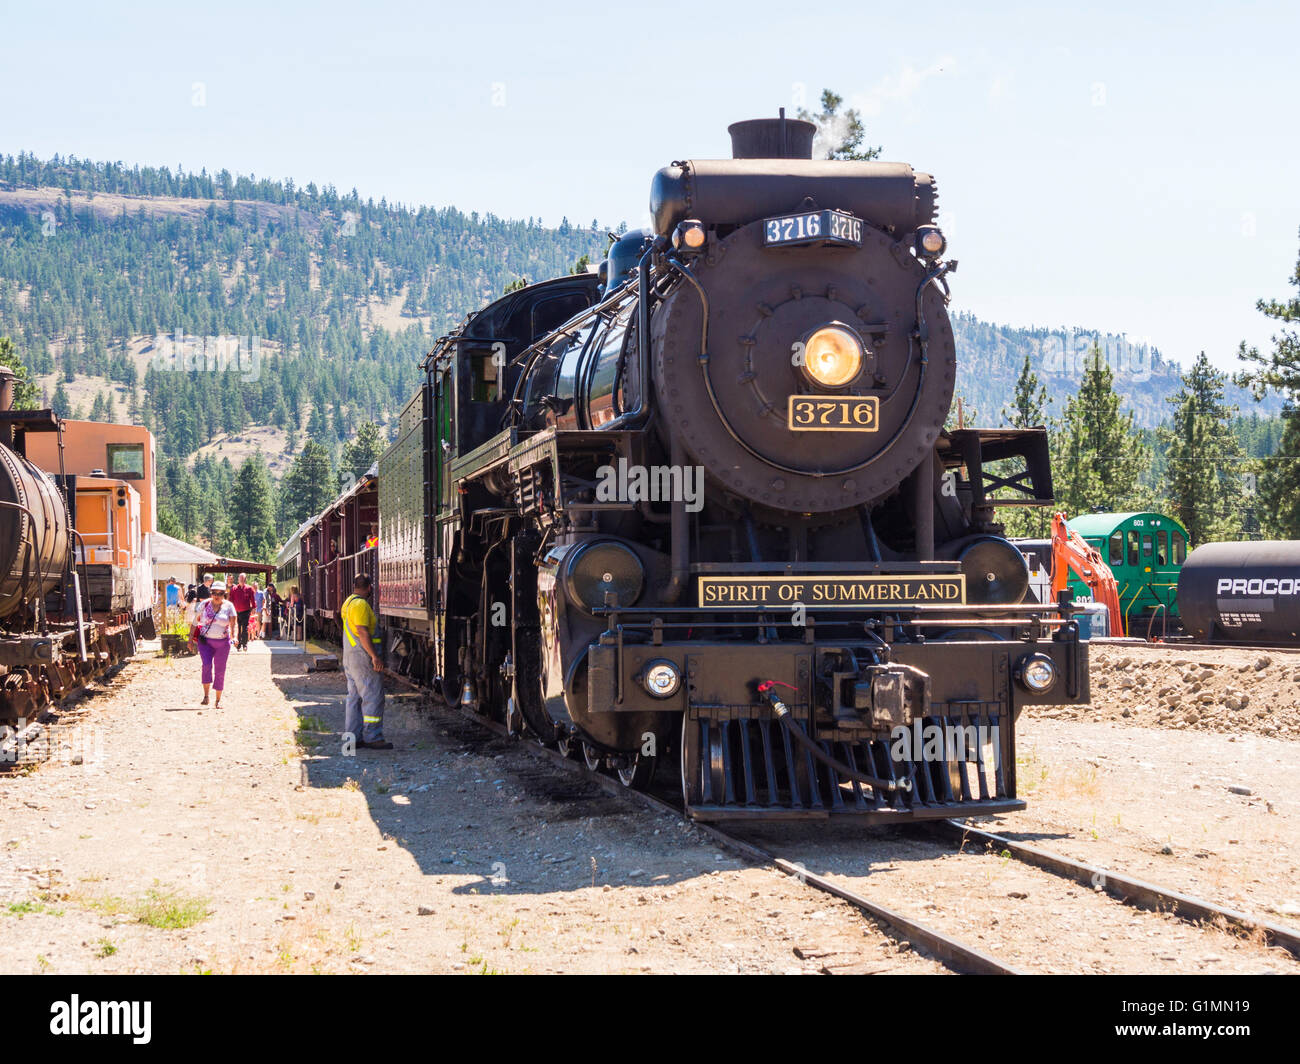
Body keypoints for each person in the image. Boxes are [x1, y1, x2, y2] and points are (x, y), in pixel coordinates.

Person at [341, 574, 390, 750]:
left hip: (350, 656)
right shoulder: (361, 605)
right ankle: (373, 736)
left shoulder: (348, 602)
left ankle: (352, 737)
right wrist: (375, 657)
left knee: (354, 697)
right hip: (363, 657)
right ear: (369, 587)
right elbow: (362, 632)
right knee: (372, 695)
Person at [189, 580, 237, 707]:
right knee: (206, 665)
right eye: (214, 592)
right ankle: (206, 696)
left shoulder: (229, 606)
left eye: (220, 593)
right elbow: (195, 623)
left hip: (223, 643)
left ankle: (218, 700)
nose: (217, 595)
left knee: (220, 670)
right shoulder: (204, 605)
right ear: (211, 593)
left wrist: (234, 636)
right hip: (205, 641)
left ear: (224, 594)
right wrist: (190, 640)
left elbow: (233, 624)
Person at [227, 572, 256, 651]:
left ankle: (245, 644)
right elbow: (231, 600)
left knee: (245, 628)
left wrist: (253, 608)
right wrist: (229, 609)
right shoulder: (234, 589)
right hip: (236, 612)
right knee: (238, 628)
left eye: (243, 579)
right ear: (238, 579)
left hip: (246, 611)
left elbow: (252, 599)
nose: (242, 580)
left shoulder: (249, 588)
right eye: (240, 579)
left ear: (245, 579)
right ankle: (238, 644)